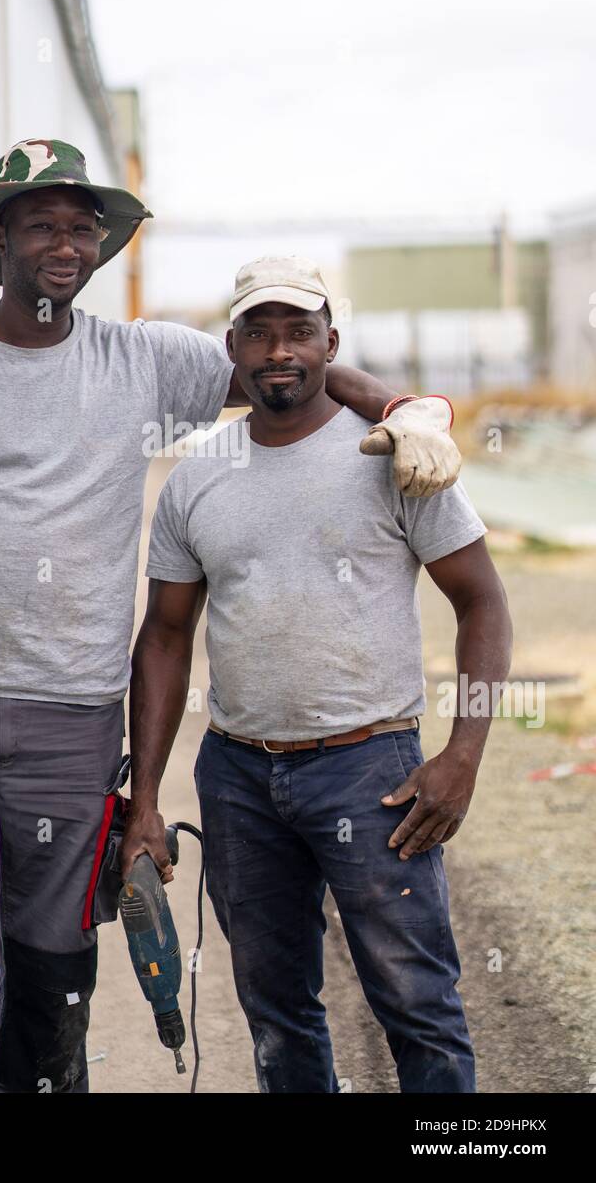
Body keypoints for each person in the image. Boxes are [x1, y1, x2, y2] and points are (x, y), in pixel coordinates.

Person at [0, 140, 461, 1093]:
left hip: (71, 727)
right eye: (42, 225)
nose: (65, 245)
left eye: (82, 228)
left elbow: (289, 369)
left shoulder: (145, 360)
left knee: (52, 969)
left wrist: (408, 409)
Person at [124, 255, 513, 1094]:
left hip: (370, 770)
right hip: (237, 776)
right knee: (275, 1010)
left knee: (415, 1002)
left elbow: (482, 602)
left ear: (329, 344)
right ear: (232, 349)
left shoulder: (395, 458)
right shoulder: (197, 479)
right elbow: (163, 636)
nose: (278, 351)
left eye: (298, 331)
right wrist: (145, 801)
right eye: (258, 333)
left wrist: (462, 755)